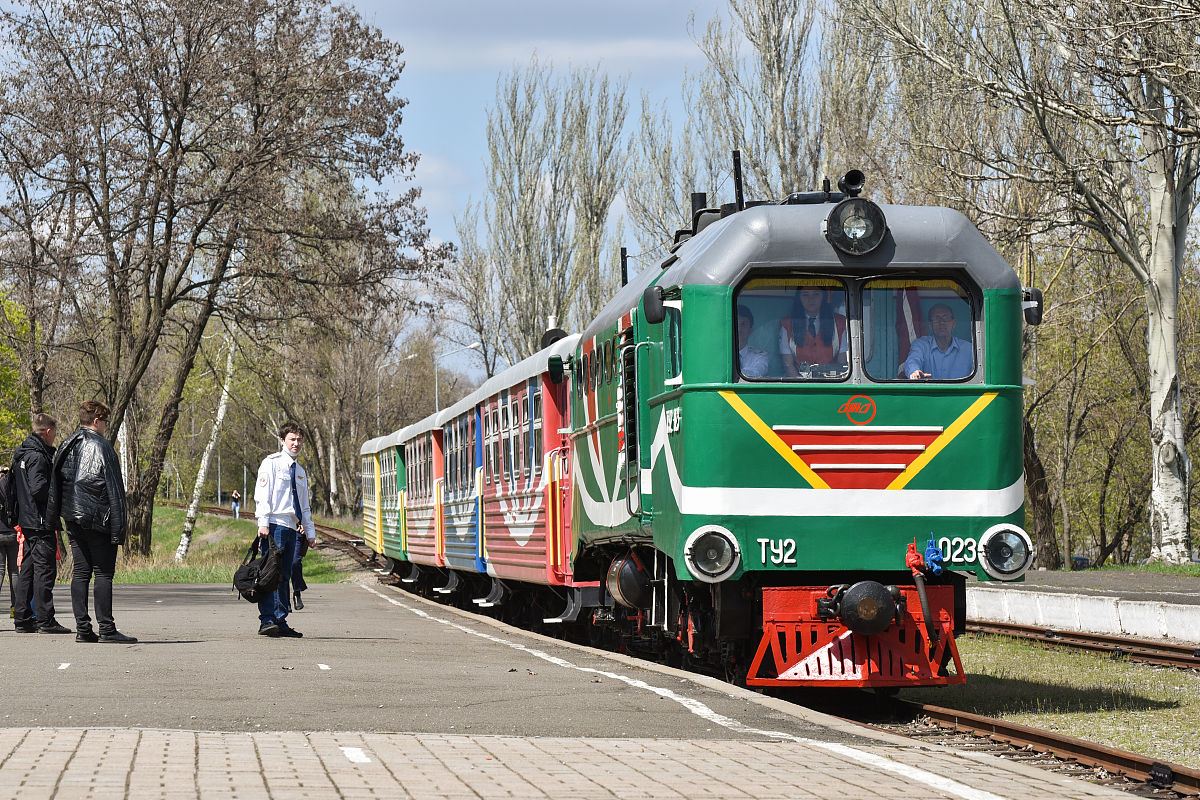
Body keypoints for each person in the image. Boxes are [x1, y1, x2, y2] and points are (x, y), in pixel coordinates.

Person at [46, 401, 137, 643]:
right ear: (96, 421)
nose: (106, 426)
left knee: (81, 572)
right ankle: (106, 628)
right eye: (105, 422)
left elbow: (55, 484)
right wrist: (119, 528)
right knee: (104, 573)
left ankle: (83, 629)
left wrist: (55, 517)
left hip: (72, 518)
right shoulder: (102, 446)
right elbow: (115, 490)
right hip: (98, 519)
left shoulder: (67, 443)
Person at [253, 421, 315, 638]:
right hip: (274, 525)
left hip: (291, 527)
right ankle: (267, 620)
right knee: (270, 573)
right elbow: (262, 495)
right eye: (292, 439)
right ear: (282, 441)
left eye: (299, 440)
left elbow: (304, 504)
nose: (296, 443)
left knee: (284, 575)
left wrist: (310, 531)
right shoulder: (271, 464)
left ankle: (280, 620)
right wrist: (263, 522)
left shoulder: (300, 471)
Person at [12, 414, 70, 634]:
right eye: (54, 431)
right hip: (40, 520)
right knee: (45, 570)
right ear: (48, 431)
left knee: (27, 569)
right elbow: (39, 489)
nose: (55, 436)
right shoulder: (38, 456)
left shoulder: (22, 454)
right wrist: (57, 496)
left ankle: (22, 618)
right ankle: (45, 620)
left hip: (27, 520)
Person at [779, 287, 847, 376]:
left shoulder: (840, 322)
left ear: (823, 297)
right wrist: (801, 385)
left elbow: (842, 361)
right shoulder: (786, 324)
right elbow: (788, 364)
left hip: (832, 381)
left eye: (816, 294)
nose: (811, 299)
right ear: (799, 298)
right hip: (799, 383)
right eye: (805, 295)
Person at [902, 303, 974, 380]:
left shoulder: (968, 349)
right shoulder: (921, 345)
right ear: (930, 325)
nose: (941, 322)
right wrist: (914, 371)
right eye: (937, 319)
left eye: (945, 318)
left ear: (954, 323)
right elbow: (913, 360)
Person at [736, 305, 769, 378]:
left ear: (750, 330)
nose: (739, 329)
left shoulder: (760, 356)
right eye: (735, 324)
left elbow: (757, 373)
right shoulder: (721, 354)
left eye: (743, 324)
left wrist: (735, 371)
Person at [291, 535, 309, 610]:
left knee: (295, 562)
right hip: (279, 528)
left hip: (296, 533)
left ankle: (297, 591)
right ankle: (284, 601)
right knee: (282, 564)